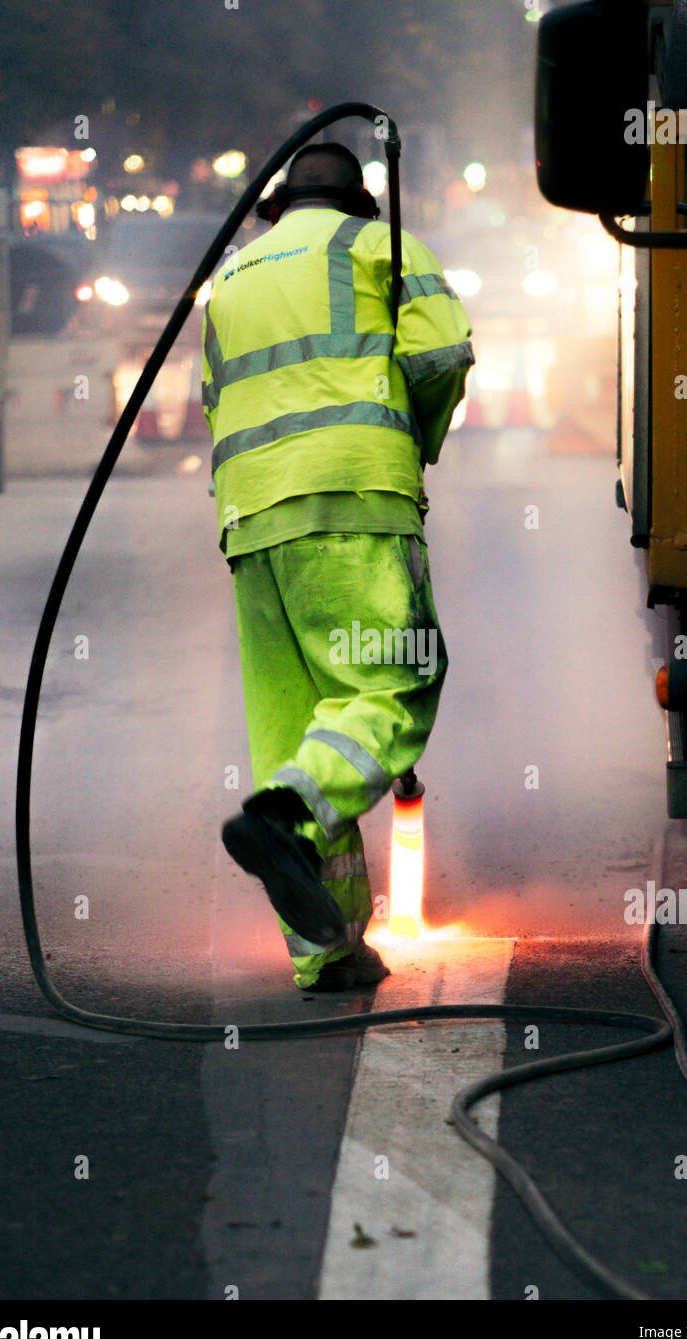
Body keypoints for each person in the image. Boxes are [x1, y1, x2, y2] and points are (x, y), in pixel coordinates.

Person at [202, 140, 473, 992]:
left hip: (251, 519)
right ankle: (284, 817)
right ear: (358, 201)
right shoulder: (383, 249)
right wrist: (412, 444)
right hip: (354, 495)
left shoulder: (235, 278)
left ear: (277, 207)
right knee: (395, 681)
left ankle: (327, 949)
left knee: (294, 725)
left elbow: (219, 397)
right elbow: (441, 358)